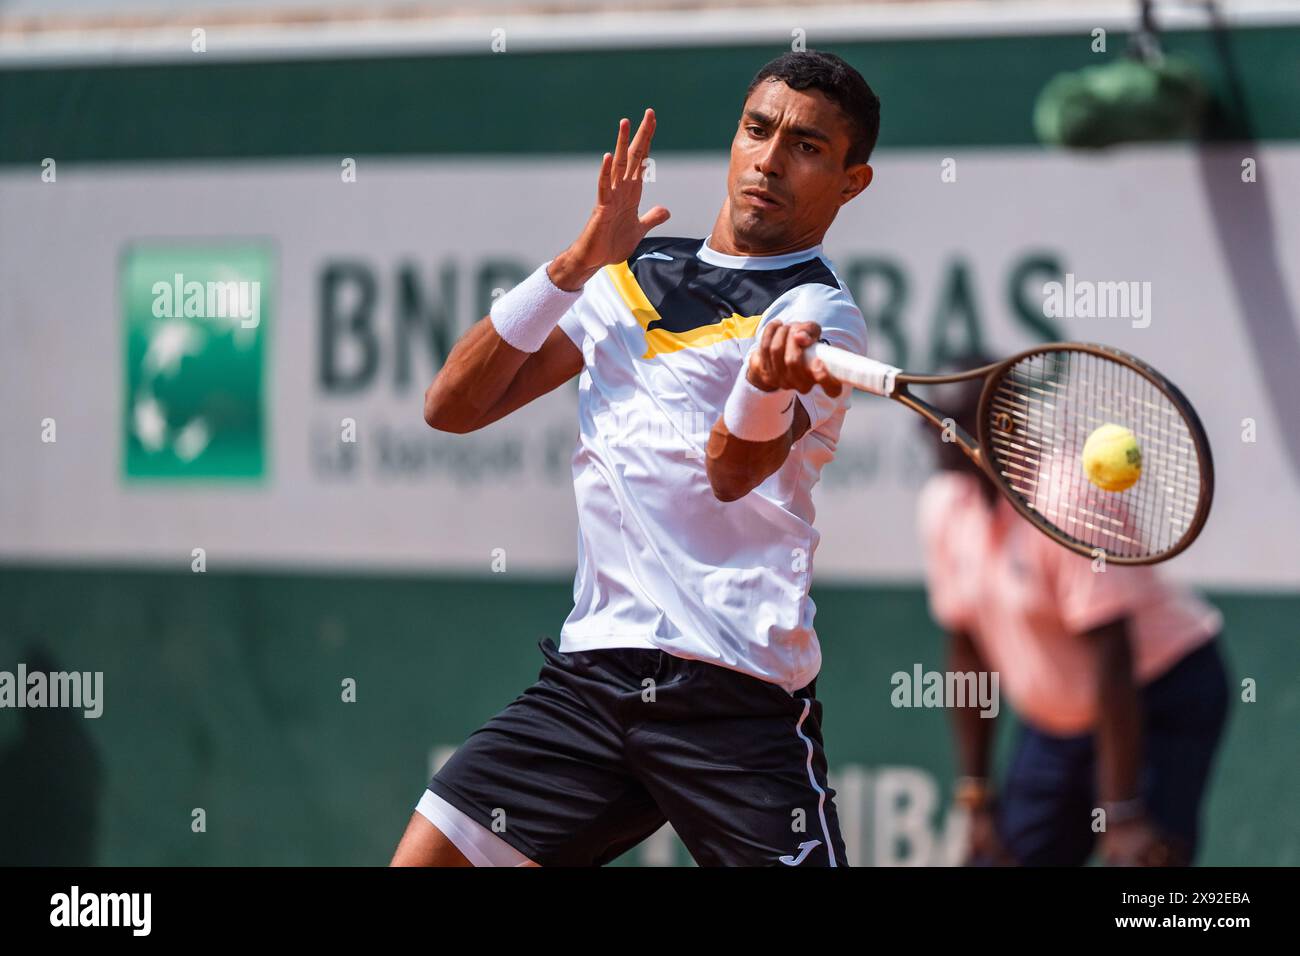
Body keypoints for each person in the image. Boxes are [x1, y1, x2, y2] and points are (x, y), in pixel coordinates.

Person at [389, 51, 879, 866]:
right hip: (591, 682)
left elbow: (730, 473)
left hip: (734, 692)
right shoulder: (631, 274)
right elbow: (453, 406)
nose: (769, 160)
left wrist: (761, 380)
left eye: (807, 147)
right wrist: (573, 267)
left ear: (850, 181)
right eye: (757, 131)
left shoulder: (819, 316)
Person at [915, 356, 1230, 866]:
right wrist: (976, 795)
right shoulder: (943, 506)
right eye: (932, 422)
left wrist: (1122, 809)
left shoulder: (1066, 500)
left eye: (956, 421)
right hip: (1059, 723)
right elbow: (967, 649)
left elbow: (1113, 658)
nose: (938, 434)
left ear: (1005, 418)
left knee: (1148, 870)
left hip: (1157, 697)